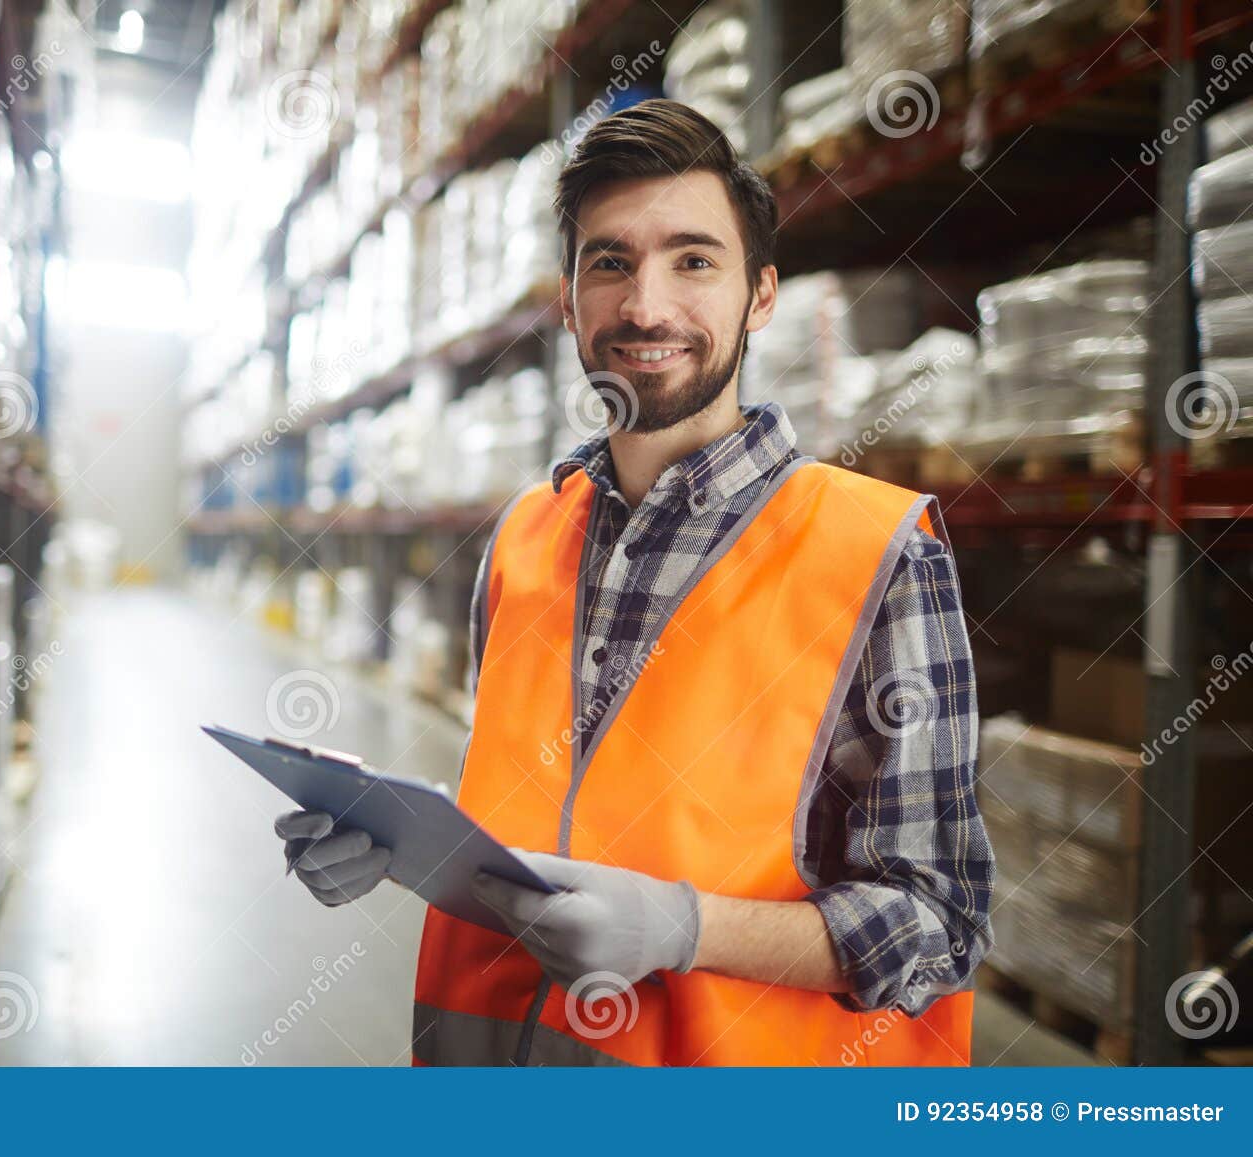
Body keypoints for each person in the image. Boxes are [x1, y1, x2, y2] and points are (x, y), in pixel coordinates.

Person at [273, 99, 993, 1066]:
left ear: (762, 294)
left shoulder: (876, 551)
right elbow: (550, 808)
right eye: (610, 262)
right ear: (568, 300)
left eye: (694, 261)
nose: (647, 306)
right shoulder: (525, 538)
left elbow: (939, 920)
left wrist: (683, 927)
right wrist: (397, 848)